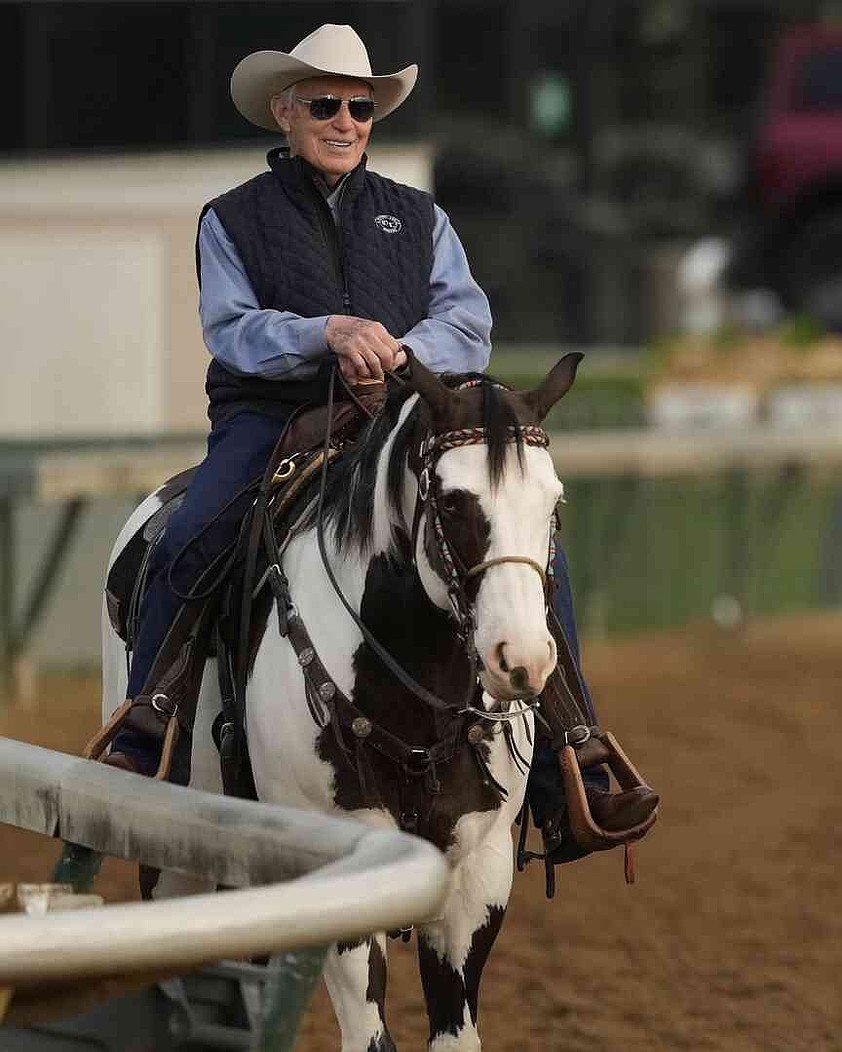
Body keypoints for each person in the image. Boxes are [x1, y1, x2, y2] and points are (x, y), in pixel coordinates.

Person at [105, 23, 651, 862]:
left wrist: (399, 353)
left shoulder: (420, 215)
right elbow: (232, 329)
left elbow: (467, 320)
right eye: (325, 104)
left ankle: (572, 759)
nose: (345, 122)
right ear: (286, 111)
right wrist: (327, 333)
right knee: (194, 531)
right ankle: (153, 726)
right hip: (273, 416)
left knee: (525, 542)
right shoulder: (231, 219)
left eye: (360, 108)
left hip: (404, 411)